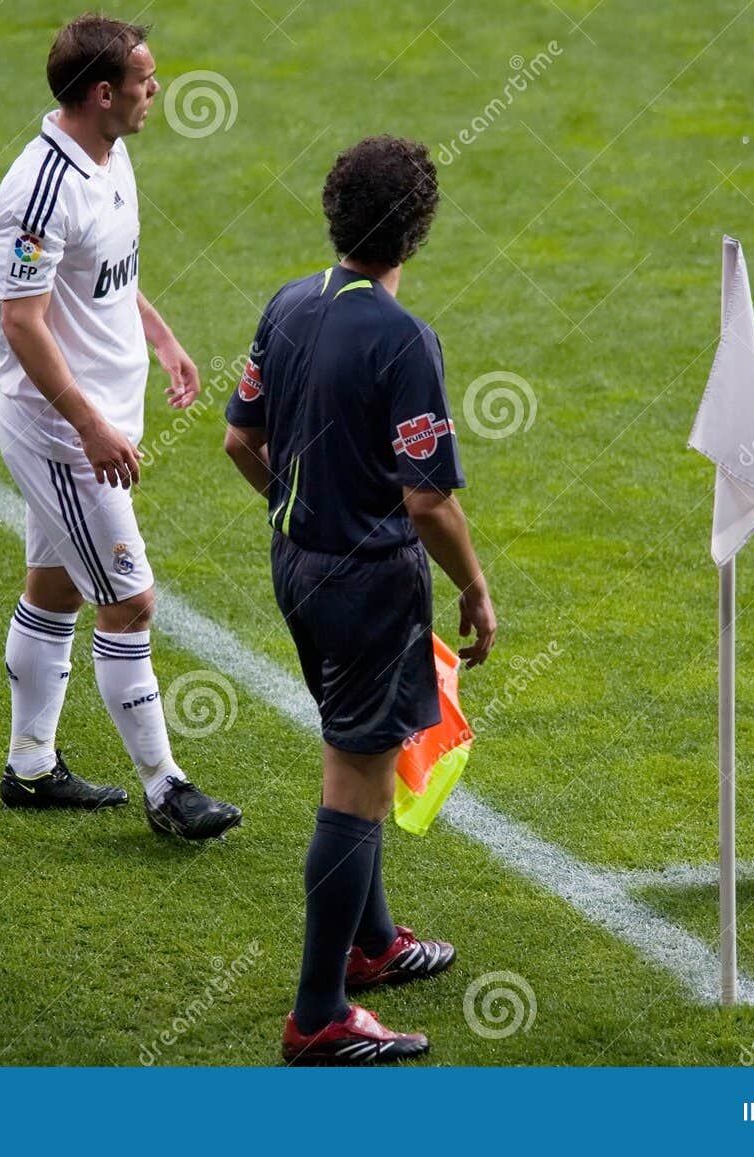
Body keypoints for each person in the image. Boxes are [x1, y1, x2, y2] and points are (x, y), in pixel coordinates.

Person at [223, 135, 497, 1064]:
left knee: (358, 748)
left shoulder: (290, 302)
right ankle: (319, 1013)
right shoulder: (404, 339)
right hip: (369, 583)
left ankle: (374, 941)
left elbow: (238, 439)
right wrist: (473, 583)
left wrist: (306, 504)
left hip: (297, 566)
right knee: (357, 782)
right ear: (417, 233)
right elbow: (428, 499)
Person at [0, 13, 241, 840]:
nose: (156, 90)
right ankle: (167, 789)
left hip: (93, 422)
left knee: (54, 588)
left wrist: (160, 338)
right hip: (60, 434)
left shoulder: (109, 152)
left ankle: (30, 769)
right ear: (103, 92)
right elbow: (22, 321)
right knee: (130, 600)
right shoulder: (37, 191)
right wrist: (91, 426)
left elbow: (107, 276)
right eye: (145, 79)